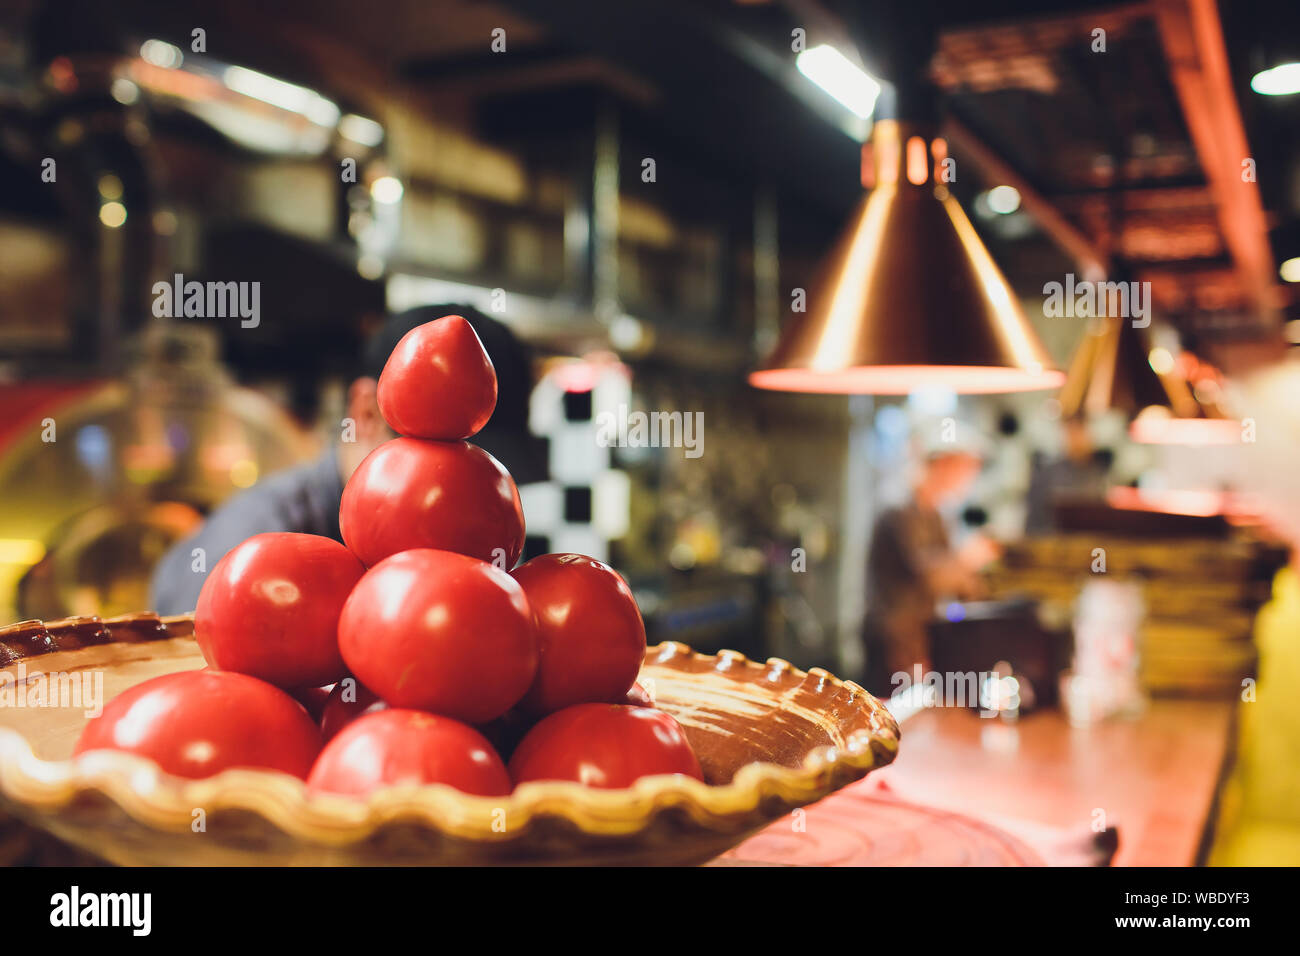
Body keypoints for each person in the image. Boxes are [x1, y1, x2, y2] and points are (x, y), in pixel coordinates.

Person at [149, 305, 545, 615]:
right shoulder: (254, 545)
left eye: (482, 472)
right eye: (437, 466)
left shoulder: (462, 542)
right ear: (367, 415)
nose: (464, 509)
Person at [862, 444, 998, 697]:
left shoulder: (935, 515)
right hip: (894, 642)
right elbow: (929, 576)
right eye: (966, 472)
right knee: (889, 719)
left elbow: (957, 581)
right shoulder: (898, 509)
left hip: (922, 637)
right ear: (942, 466)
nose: (968, 481)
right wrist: (967, 558)